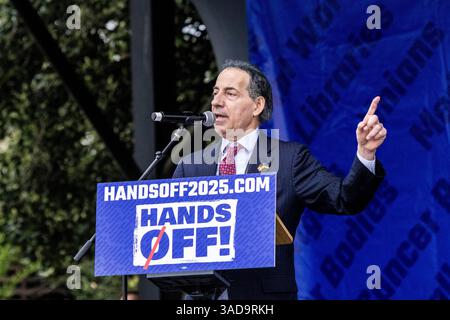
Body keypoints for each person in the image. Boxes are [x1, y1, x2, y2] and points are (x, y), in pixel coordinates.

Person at [172, 60, 387, 300]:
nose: (216, 101)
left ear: (257, 105)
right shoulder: (189, 166)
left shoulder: (290, 159)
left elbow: (345, 199)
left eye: (230, 93)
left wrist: (365, 154)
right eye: (215, 92)